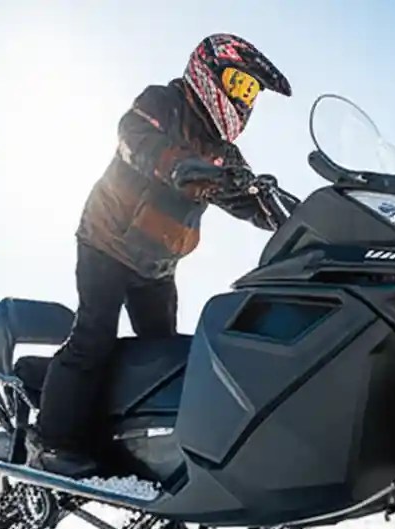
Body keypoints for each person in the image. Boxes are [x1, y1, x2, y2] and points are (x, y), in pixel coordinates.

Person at [27, 33, 292, 477]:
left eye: (250, 93)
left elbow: (243, 198)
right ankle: (51, 441)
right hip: (107, 243)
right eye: (239, 85)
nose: (243, 99)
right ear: (208, 72)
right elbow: (134, 138)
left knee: (162, 359)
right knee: (95, 337)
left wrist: (283, 214)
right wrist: (178, 164)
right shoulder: (163, 103)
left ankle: (128, 441)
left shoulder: (224, 152)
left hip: (156, 265)